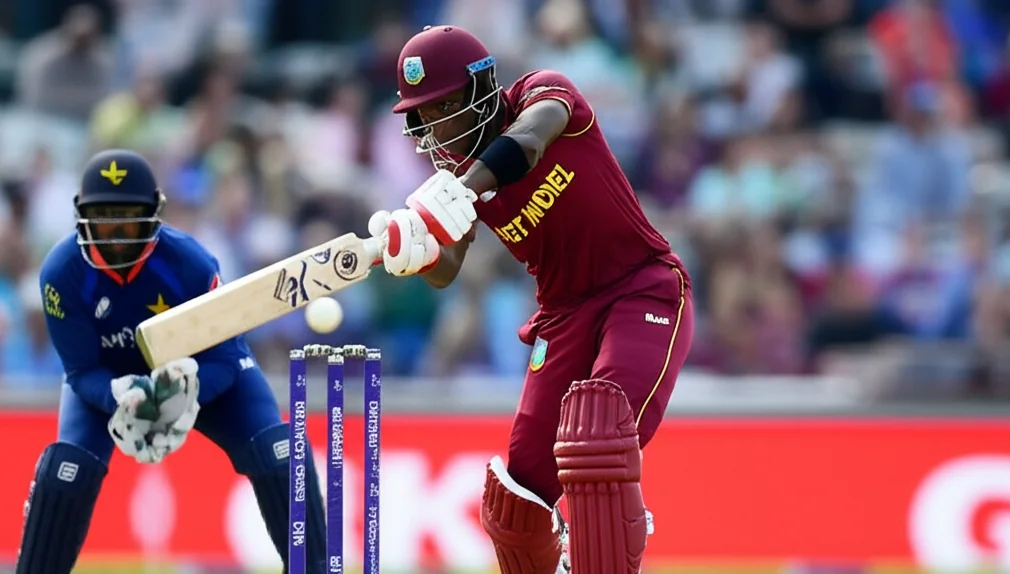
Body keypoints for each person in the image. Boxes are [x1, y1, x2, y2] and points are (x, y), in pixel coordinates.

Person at [368, 25, 695, 574]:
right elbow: (448, 269)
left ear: (480, 89)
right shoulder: (456, 176)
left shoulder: (544, 93)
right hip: (562, 317)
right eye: (422, 116)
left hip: (641, 288)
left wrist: (457, 192)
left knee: (598, 434)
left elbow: (526, 144)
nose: (435, 128)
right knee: (515, 506)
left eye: (443, 107)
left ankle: (609, 545)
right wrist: (415, 250)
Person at [15, 149, 328, 574]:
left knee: (280, 455)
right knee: (65, 473)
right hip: (110, 380)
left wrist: (186, 393)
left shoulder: (191, 264)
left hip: (201, 373)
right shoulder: (60, 274)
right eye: (105, 221)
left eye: (129, 222)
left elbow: (226, 357)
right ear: (82, 218)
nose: (117, 238)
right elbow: (82, 371)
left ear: (153, 217)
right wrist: (119, 395)